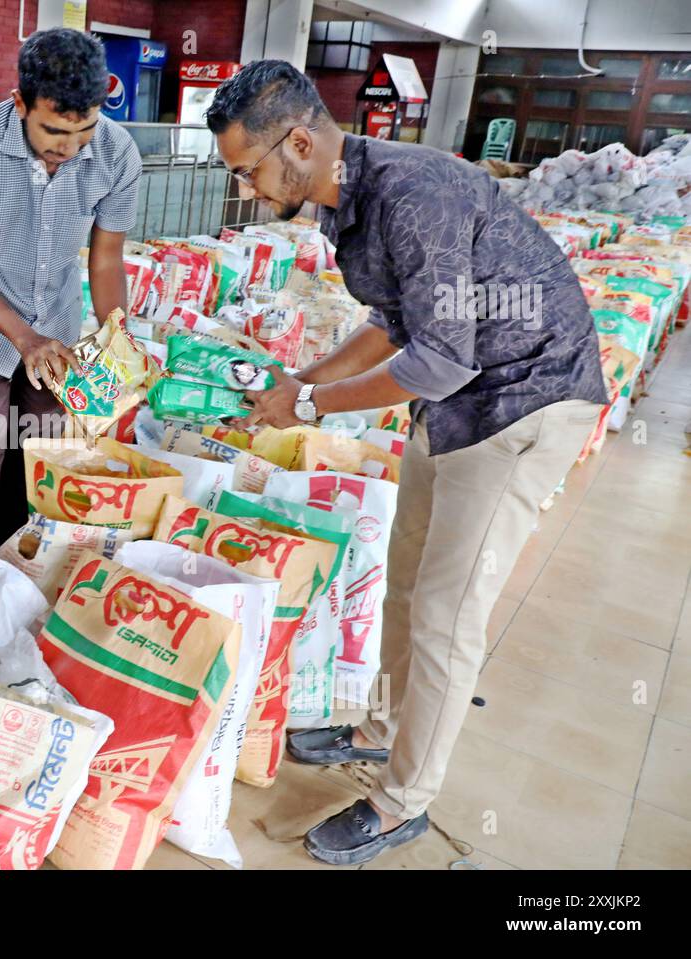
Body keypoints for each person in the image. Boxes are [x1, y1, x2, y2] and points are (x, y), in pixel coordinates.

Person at [205, 60, 608, 866]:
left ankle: (403, 799)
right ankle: (377, 728)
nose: (247, 190)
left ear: (297, 142)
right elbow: (394, 325)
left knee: (447, 617)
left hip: (522, 401)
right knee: (406, 583)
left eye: (248, 171)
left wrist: (315, 407)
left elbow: (441, 359)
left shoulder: (414, 194)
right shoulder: (343, 200)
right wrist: (299, 383)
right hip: (457, 403)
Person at [0, 28, 141, 557]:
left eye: (85, 130)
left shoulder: (117, 153)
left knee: (38, 454)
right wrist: (23, 338)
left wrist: (119, 339)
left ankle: (18, 568)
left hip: (59, 328)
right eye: (52, 131)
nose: (68, 149)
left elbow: (107, 256)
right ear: (19, 101)